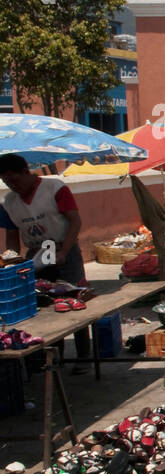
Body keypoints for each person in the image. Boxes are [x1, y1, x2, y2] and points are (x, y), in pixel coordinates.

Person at [0, 153, 90, 364]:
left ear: (25, 172)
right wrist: (11, 262)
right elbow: (12, 236)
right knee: (45, 302)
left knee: (75, 299)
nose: (12, 186)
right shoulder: (9, 202)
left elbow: (74, 221)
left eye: (14, 180)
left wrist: (64, 252)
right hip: (36, 252)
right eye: (5, 182)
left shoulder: (55, 188)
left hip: (62, 247)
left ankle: (84, 356)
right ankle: (52, 355)